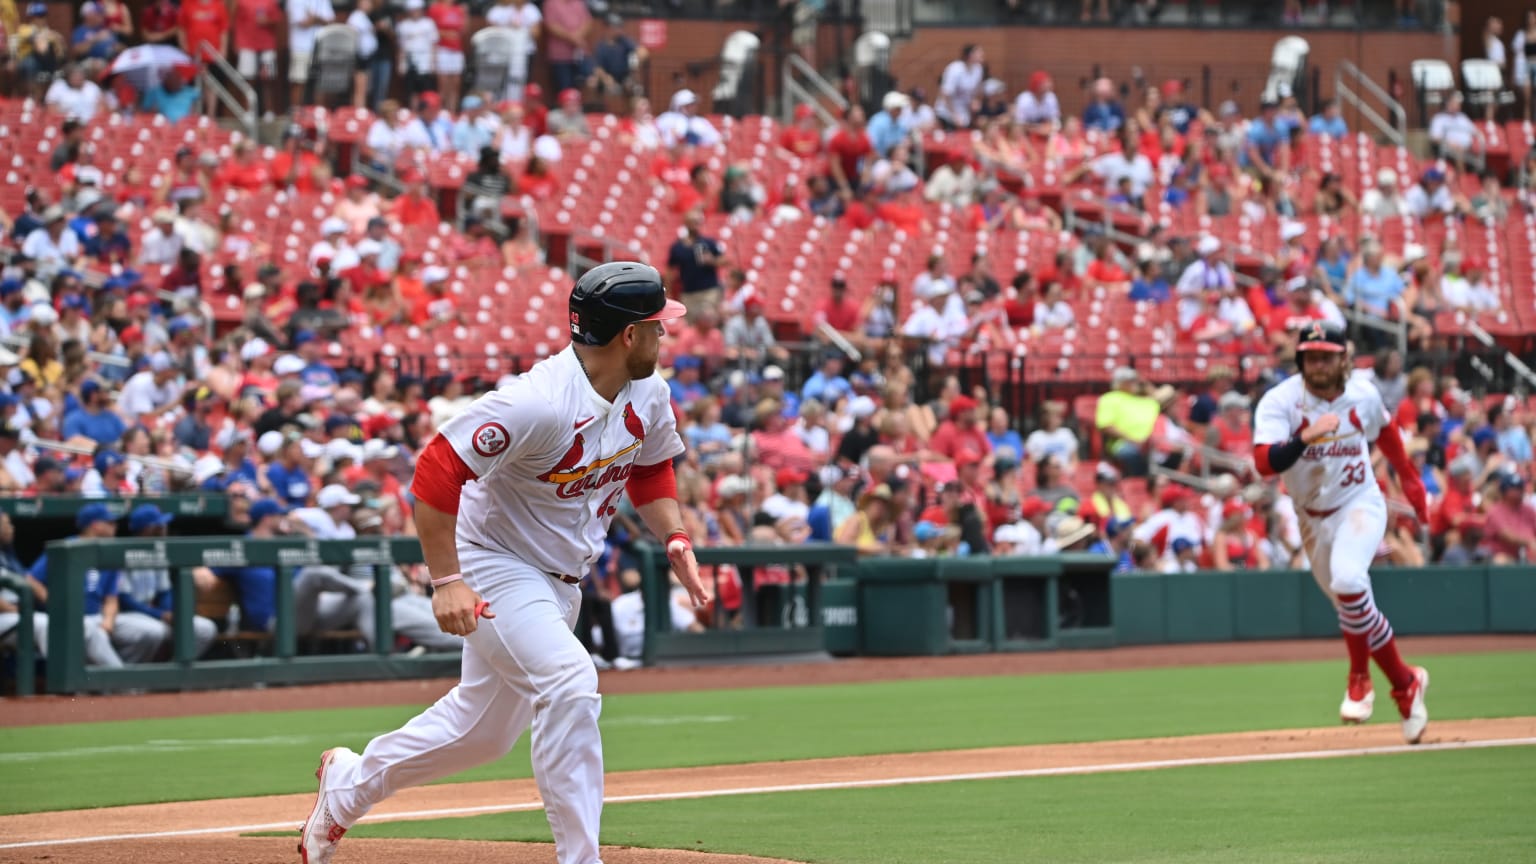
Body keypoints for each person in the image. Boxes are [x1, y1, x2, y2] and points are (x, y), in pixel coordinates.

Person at [299, 261, 710, 864]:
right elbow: (436, 470)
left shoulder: (648, 391)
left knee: (483, 733)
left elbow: (650, 467)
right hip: (496, 564)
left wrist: (675, 539)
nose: (664, 335)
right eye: (657, 325)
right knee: (571, 683)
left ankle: (348, 786)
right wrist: (447, 581)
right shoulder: (536, 402)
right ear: (629, 335)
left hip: (560, 579)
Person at [1252, 322, 1430, 744]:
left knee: (1350, 581)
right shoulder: (1281, 401)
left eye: (1327, 355)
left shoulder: (1363, 394)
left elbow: (1387, 436)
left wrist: (1413, 484)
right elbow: (1263, 462)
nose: (1318, 364)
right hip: (1312, 518)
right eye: (1311, 356)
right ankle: (1406, 683)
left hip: (1359, 504)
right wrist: (1302, 438)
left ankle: (1359, 678)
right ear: (1300, 361)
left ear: (1342, 358)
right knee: (1356, 607)